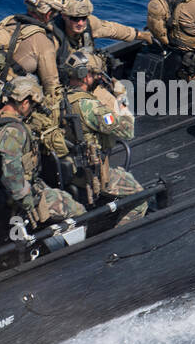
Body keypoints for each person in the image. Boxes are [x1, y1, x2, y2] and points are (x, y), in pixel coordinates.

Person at [0, 75, 86, 229]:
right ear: (25, 103)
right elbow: (11, 173)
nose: (32, 110)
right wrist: (27, 201)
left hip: (2, 189)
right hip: (18, 196)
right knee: (78, 210)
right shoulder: (13, 131)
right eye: (32, 106)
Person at [0, 0, 69, 158]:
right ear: (48, 13)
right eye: (55, 13)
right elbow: (52, 87)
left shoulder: (8, 22)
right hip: (13, 102)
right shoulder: (42, 41)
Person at [60, 52, 147, 226]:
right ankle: (118, 237)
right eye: (95, 73)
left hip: (67, 170)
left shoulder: (58, 98)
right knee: (140, 198)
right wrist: (121, 101)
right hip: (92, 175)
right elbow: (127, 130)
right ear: (85, 75)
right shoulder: (89, 106)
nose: (99, 77)